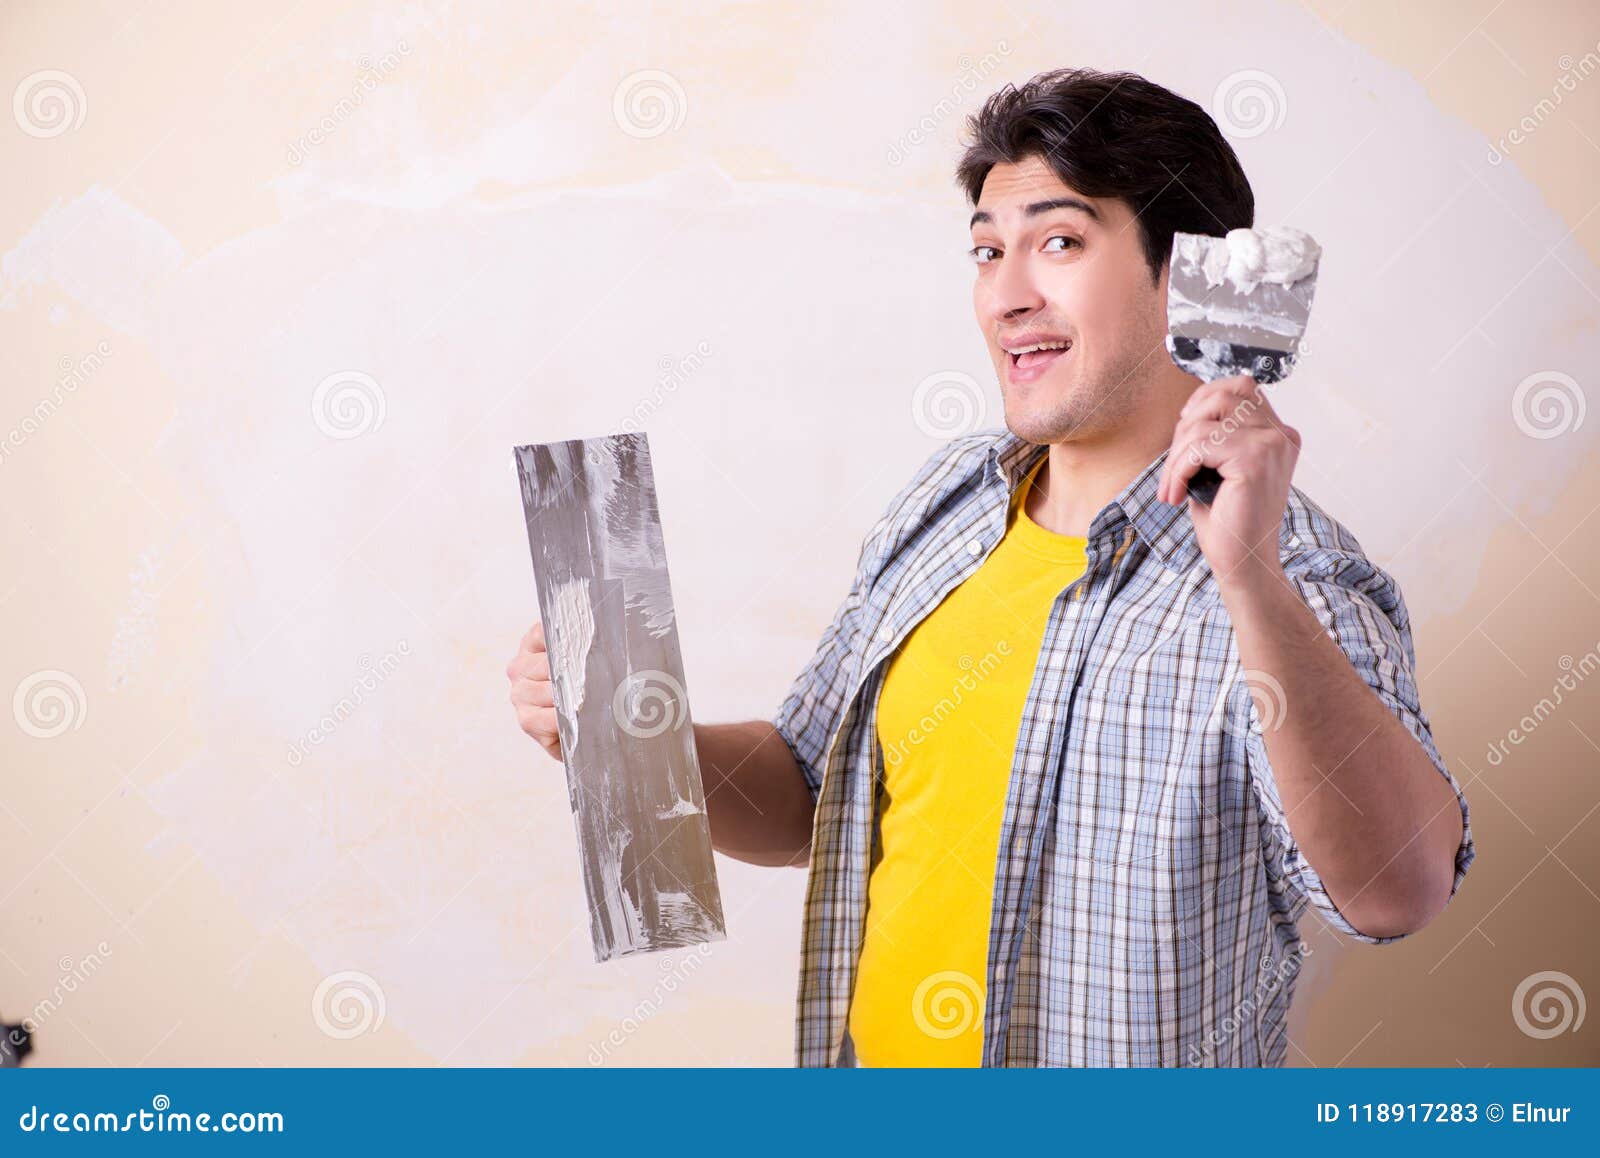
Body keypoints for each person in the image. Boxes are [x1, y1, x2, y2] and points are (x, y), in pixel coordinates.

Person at [508, 67, 1475, 1068]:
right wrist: (632, 742)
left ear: (1190, 277)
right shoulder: (949, 499)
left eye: (1058, 241)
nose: (1007, 296)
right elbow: (805, 790)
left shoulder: (1293, 578)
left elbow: (1399, 894)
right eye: (986, 251)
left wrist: (1249, 579)